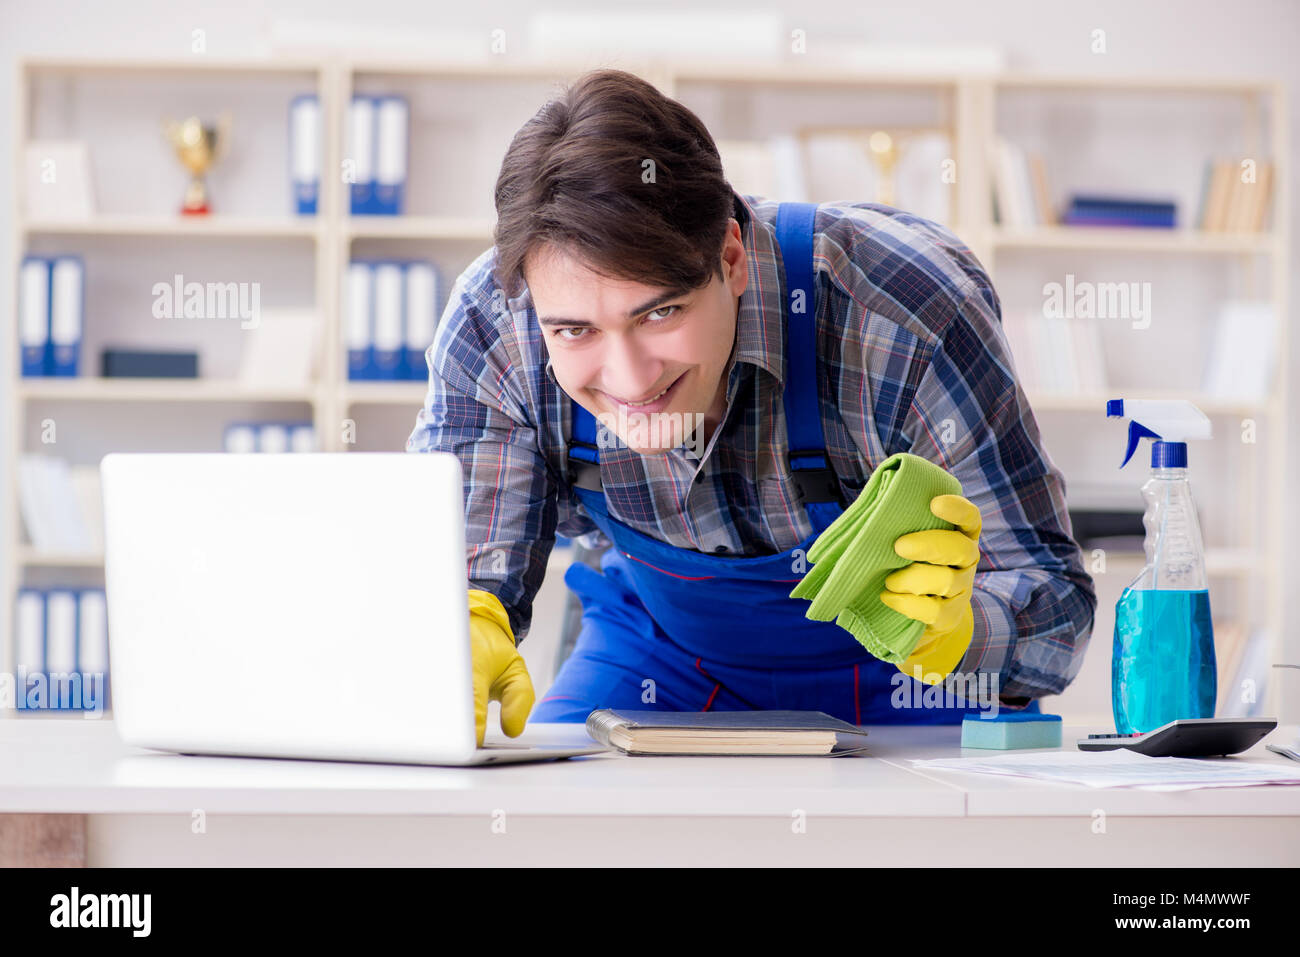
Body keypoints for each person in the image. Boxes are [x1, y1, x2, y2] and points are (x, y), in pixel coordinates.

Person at [407, 69, 1097, 746]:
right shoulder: (498, 324)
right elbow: (472, 569)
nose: (628, 378)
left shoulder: (904, 311)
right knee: (559, 820)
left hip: (907, 671)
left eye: (659, 313)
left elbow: (1058, 611)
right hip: (658, 657)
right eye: (575, 331)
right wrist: (457, 622)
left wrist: (964, 631)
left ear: (730, 256)